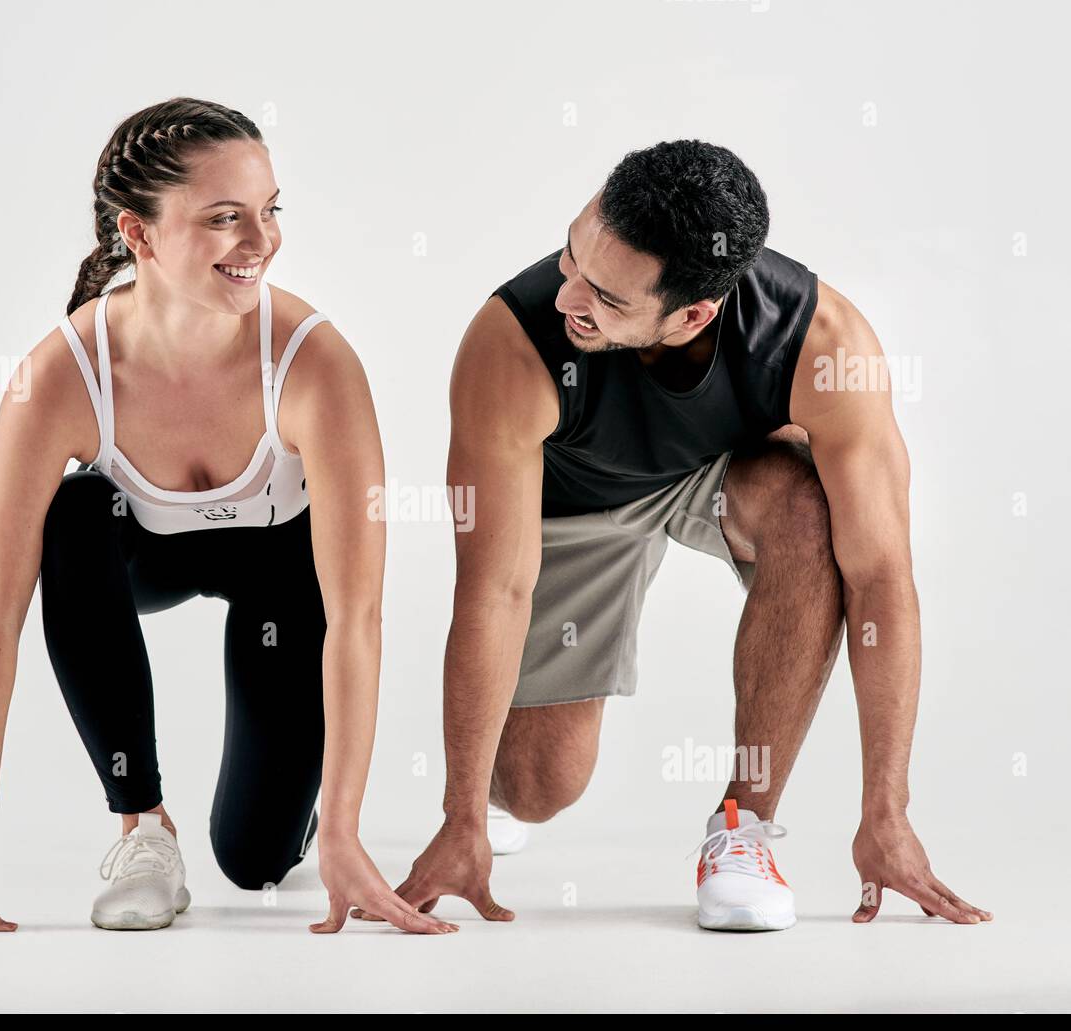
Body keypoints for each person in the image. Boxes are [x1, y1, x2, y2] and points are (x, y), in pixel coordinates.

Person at [0, 97, 453, 937]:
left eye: (269, 210)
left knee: (254, 859)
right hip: (135, 561)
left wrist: (346, 832)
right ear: (138, 234)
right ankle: (143, 830)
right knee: (71, 517)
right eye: (224, 218)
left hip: (282, 577)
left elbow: (356, 615)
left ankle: (300, 822)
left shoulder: (315, 362)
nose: (261, 241)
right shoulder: (61, 376)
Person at [368, 139, 991, 932]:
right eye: (571, 259)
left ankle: (744, 828)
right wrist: (459, 817)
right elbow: (495, 587)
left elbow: (880, 579)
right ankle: (494, 801)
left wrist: (887, 812)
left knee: (812, 506)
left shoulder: (824, 344)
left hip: (719, 472)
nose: (568, 300)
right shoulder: (512, 344)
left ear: (694, 313)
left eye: (606, 299)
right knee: (538, 786)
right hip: (572, 501)